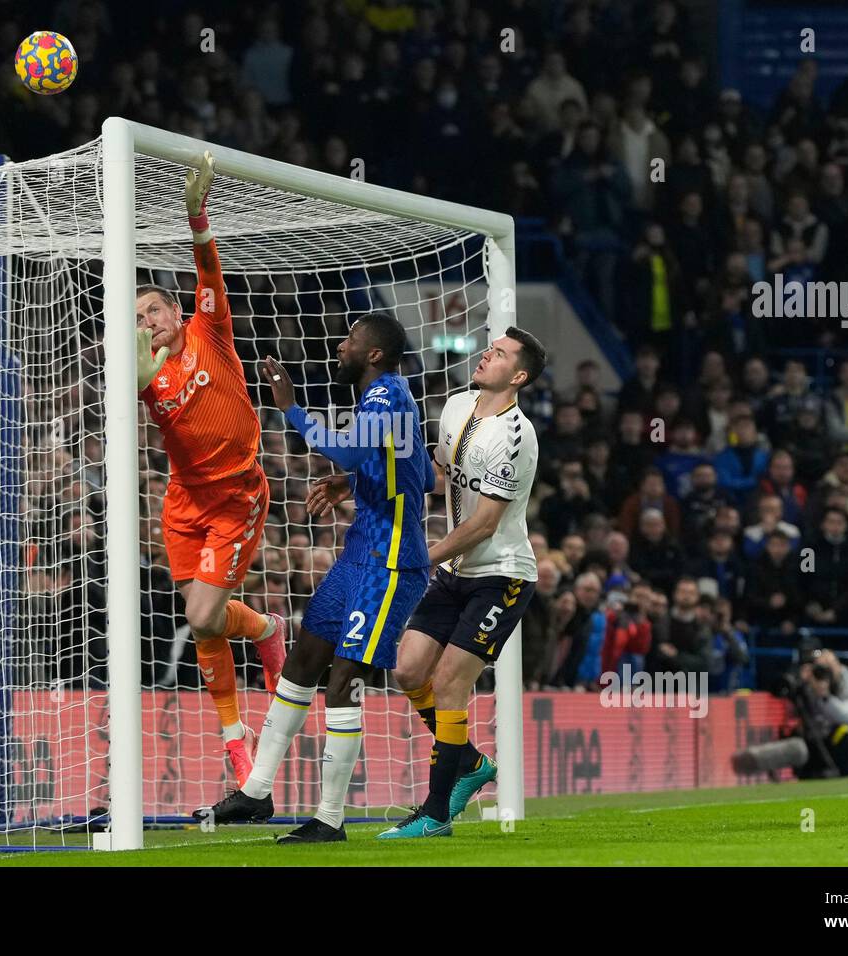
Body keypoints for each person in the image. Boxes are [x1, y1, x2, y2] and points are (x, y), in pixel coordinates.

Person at [202, 313, 435, 843]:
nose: (339, 344)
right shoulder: (389, 395)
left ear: (373, 354)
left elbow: (355, 448)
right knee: (305, 658)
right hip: (360, 554)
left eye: (351, 338)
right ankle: (257, 790)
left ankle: (330, 818)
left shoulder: (383, 396)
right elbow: (415, 470)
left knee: (343, 683)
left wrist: (290, 409)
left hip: (391, 563)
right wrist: (352, 483)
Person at [134, 152, 287, 786]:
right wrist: (135, 349)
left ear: (176, 314)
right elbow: (142, 376)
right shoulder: (145, 374)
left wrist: (197, 218)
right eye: (136, 319)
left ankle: (268, 632)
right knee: (201, 617)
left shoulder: (210, 330)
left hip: (237, 495)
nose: (146, 324)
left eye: (153, 313)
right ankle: (235, 739)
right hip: (183, 501)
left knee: (201, 616)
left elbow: (207, 268)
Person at [374, 327, 545, 839]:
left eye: (500, 354)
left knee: (450, 683)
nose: (486, 353)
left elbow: (484, 524)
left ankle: (435, 814)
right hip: (456, 571)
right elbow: (437, 473)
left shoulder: (517, 436)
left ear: (517, 377)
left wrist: (422, 557)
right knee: (407, 670)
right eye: (490, 348)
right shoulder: (455, 407)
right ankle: (469, 765)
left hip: (502, 575)